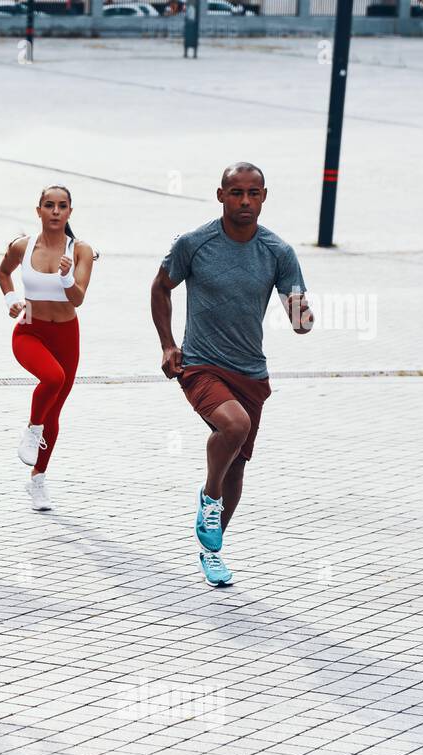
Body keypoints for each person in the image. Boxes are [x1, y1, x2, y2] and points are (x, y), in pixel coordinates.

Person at [151, 162, 313, 586]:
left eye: (253, 193)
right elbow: (160, 288)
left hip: (250, 371)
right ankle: (209, 497)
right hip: (202, 364)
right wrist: (169, 344)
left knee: (238, 466)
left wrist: (303, 318)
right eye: (236, 193)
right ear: (220, 195)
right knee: (233, 426)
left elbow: (297, 312)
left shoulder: (278, 252)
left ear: (264, 196)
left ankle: (212, 549)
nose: (245, 201)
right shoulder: (194, 244)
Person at [0, 185, 97, 512]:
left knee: (54, 411)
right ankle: (32, 428)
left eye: (62, 206)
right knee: (52, 378)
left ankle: (37, 480)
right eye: (49, 205)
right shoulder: (22, 246)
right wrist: (12, 299)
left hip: (67, 336)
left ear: (70, 212)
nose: (55, 211)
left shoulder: (80, 250)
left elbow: (78, 298)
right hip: (30, 331)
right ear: (38, 210)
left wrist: (67, 278)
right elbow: (3, 272)